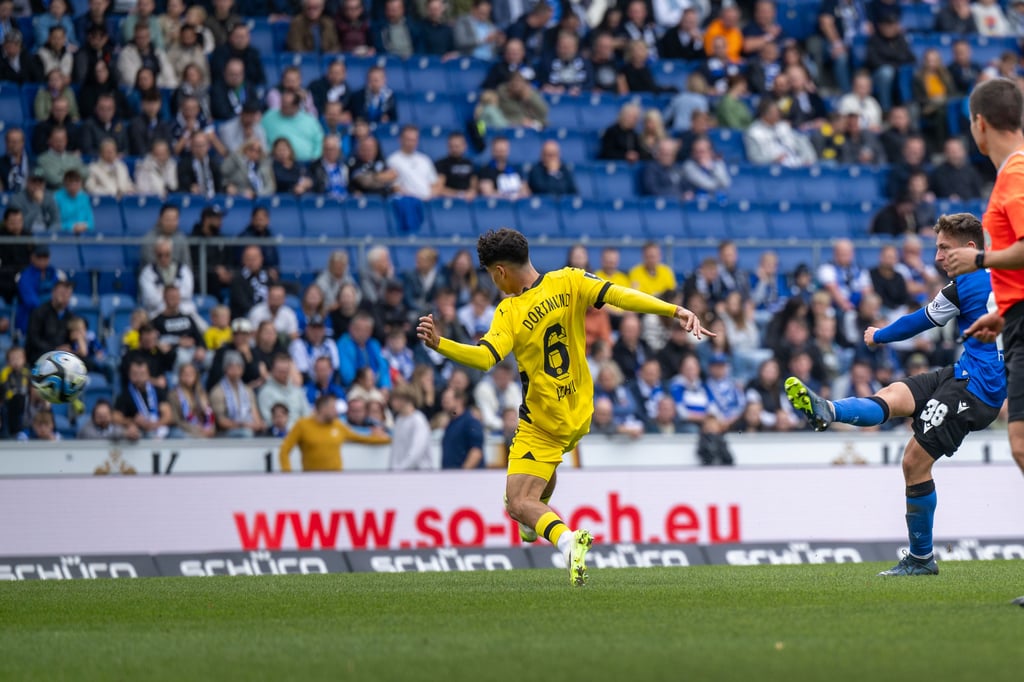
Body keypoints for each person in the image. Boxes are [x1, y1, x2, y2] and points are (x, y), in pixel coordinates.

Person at [416, 228, 711, 586]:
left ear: (500, 271)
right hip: (580, 412)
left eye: (492, 275)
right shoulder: (570, 279)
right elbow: (619, 295)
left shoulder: (510, 310)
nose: (495, 283)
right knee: (541, 473)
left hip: (543, 421)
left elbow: (484, 358)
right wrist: (674, 310)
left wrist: (440, 343)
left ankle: (566, 541)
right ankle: (533, 521)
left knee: (516, 501)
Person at [787, 213, 1005, 577]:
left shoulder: (966, 285)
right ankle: (828, 410)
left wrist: (879, 335)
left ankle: (921, 558)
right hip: (963, 373)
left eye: (944, 249)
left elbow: (920, 320)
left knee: (914, 462)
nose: (937, 257)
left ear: (970, 248)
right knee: (894, 394)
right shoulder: (1006, 276)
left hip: (976, 389)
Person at [279, 393, 390, 472]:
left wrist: (388, 440)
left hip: (336, 479)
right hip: (311, 479)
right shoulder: (302, 425)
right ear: (323, 408)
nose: (336, 411)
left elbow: (360, 438)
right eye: (333, 408)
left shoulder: (338, 425)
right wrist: (287, 473)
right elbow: (284, 450)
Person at [209, 350, 264, 437]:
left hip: (248, 426)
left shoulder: (247, 390)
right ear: (225, 369)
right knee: (245, 433)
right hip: (227, 432)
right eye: (232, 367)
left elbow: (254, 412)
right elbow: (221, 421)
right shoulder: (217, 391)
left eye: (239, 366)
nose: (236, 370)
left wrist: (258, 424)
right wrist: (243, 425)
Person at [114, 359, 173, 439]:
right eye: (135, 374)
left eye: (142, 374)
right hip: (138, 431)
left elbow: (168, 416)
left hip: (159, 429)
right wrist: (132, 421)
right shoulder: (124, 395)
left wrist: (155, 424)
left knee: (178, 434)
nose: (139, 377)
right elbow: (115, 417)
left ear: (148, 374)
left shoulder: (158, 391)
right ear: (129, 375)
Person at [389, 384, 434, 470]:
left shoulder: (418, 420)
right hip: (400, 473)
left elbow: (416, 451)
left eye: (395, 399)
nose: (392, 403)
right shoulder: (399, 420)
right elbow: (396, 450)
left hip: (420, 473)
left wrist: (400, 469)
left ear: (404, 399)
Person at [440, 387, 484, 469]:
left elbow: (476, 452)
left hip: (466, 475)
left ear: (459, 400)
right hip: (450, 474)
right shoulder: (451, 423)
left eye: (447, 400)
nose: (443, 403)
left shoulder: (470, 422)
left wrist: (463, 473)